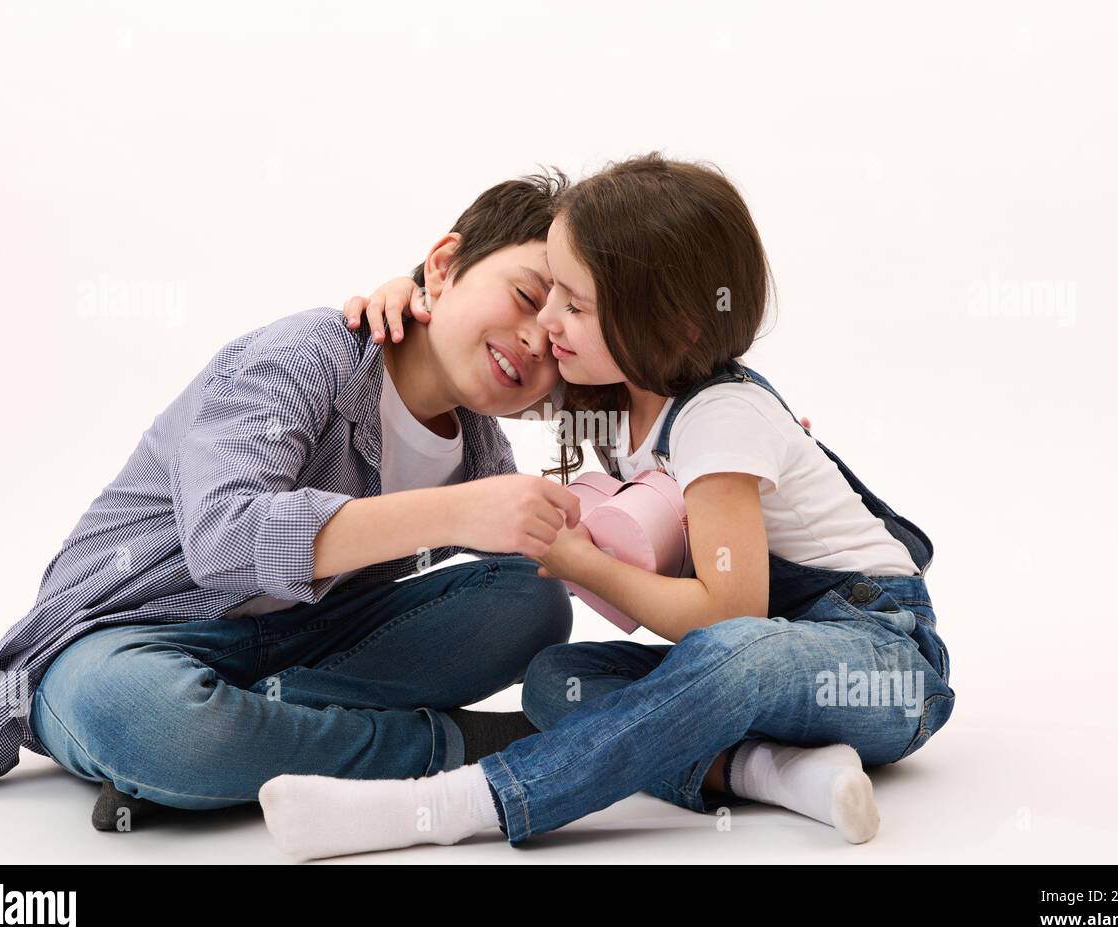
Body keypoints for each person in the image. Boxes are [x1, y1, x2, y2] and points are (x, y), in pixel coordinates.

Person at [259, 153, 955, 858]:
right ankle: (772, 772)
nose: (546, 326)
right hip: (758, 672)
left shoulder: (719, 421)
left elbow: (728, 614)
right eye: (550, 290)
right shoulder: (607, 395)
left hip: (877, 665)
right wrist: (412, 294)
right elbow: (483, 357)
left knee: (741, 651)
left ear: (674, 329)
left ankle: (455, 804)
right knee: (558, 682)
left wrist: (581, 563)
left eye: (575, 305)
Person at [0, 170, 586, 830]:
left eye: (559, 345)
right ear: (443, 266)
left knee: (532, 596)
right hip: (126, 638)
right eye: (526, 296)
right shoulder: (309, 352)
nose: (534, 340)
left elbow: (582, 555)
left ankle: (217, 758)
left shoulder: (478, 450)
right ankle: (452, 745)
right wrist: (458, 512)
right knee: (144, 717)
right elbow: (225, 538)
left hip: (299, 647)